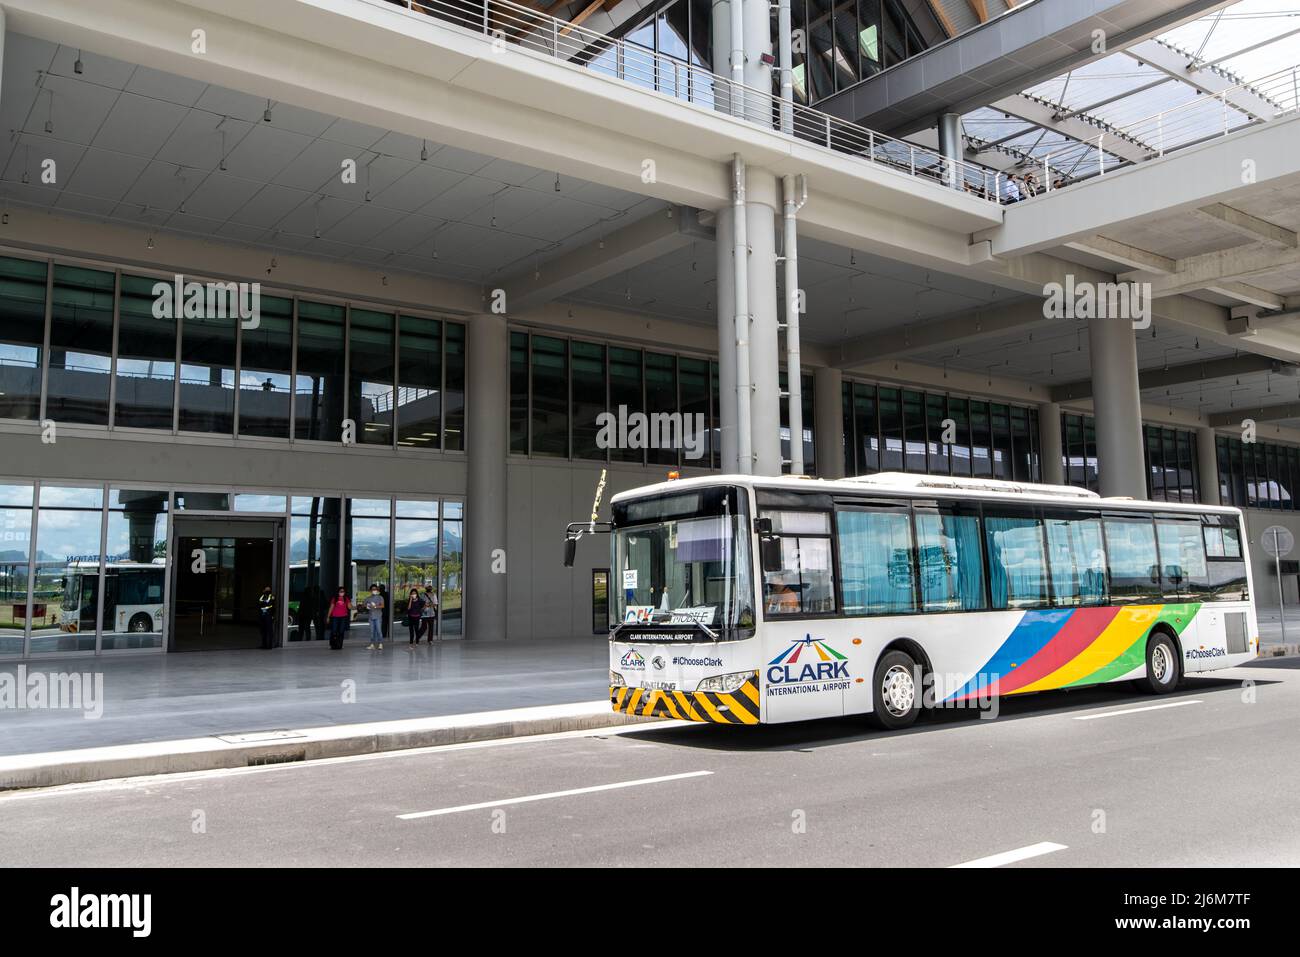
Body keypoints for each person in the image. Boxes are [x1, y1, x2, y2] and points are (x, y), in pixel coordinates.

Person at [363, 585, 385, 651]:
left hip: (378, 616)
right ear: (370, 590)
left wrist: (375, 606)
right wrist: (367, 606)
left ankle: (380, 644)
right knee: (372, 632)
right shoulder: (368, 598)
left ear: (377, 590)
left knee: (379, 631)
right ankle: (372, 644)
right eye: (373, 589)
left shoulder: (380, 597)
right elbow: (363, 604)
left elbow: (383, 605)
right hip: (371, 617)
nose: (374, 590)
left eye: (375, 589)